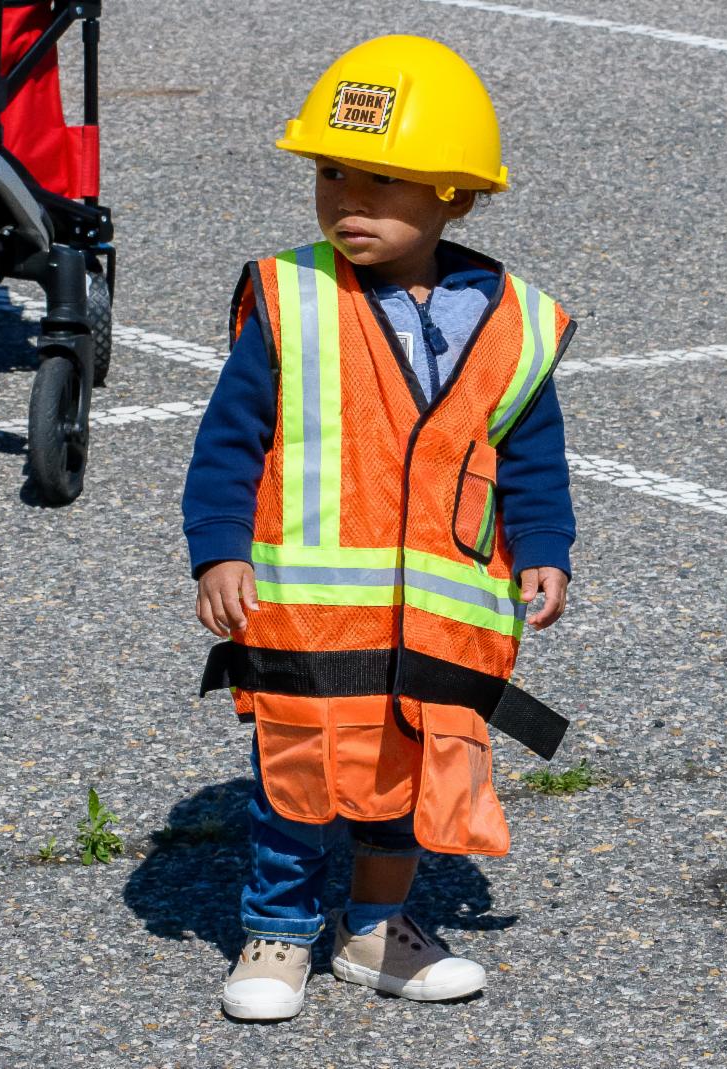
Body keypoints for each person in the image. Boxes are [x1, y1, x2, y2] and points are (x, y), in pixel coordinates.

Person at [182, 34, 577, 1021]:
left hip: (440, 622)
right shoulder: (292, 298)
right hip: (309, 616)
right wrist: (220, 548)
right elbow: (229, 441)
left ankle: (375, 930)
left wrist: (545, 550)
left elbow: (531, 456)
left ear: (457, 196)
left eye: (379, 181)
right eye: (330, 174)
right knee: (297, 779)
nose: (345, 201)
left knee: (406, 784)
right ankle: (277, 931)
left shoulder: (515, 323)